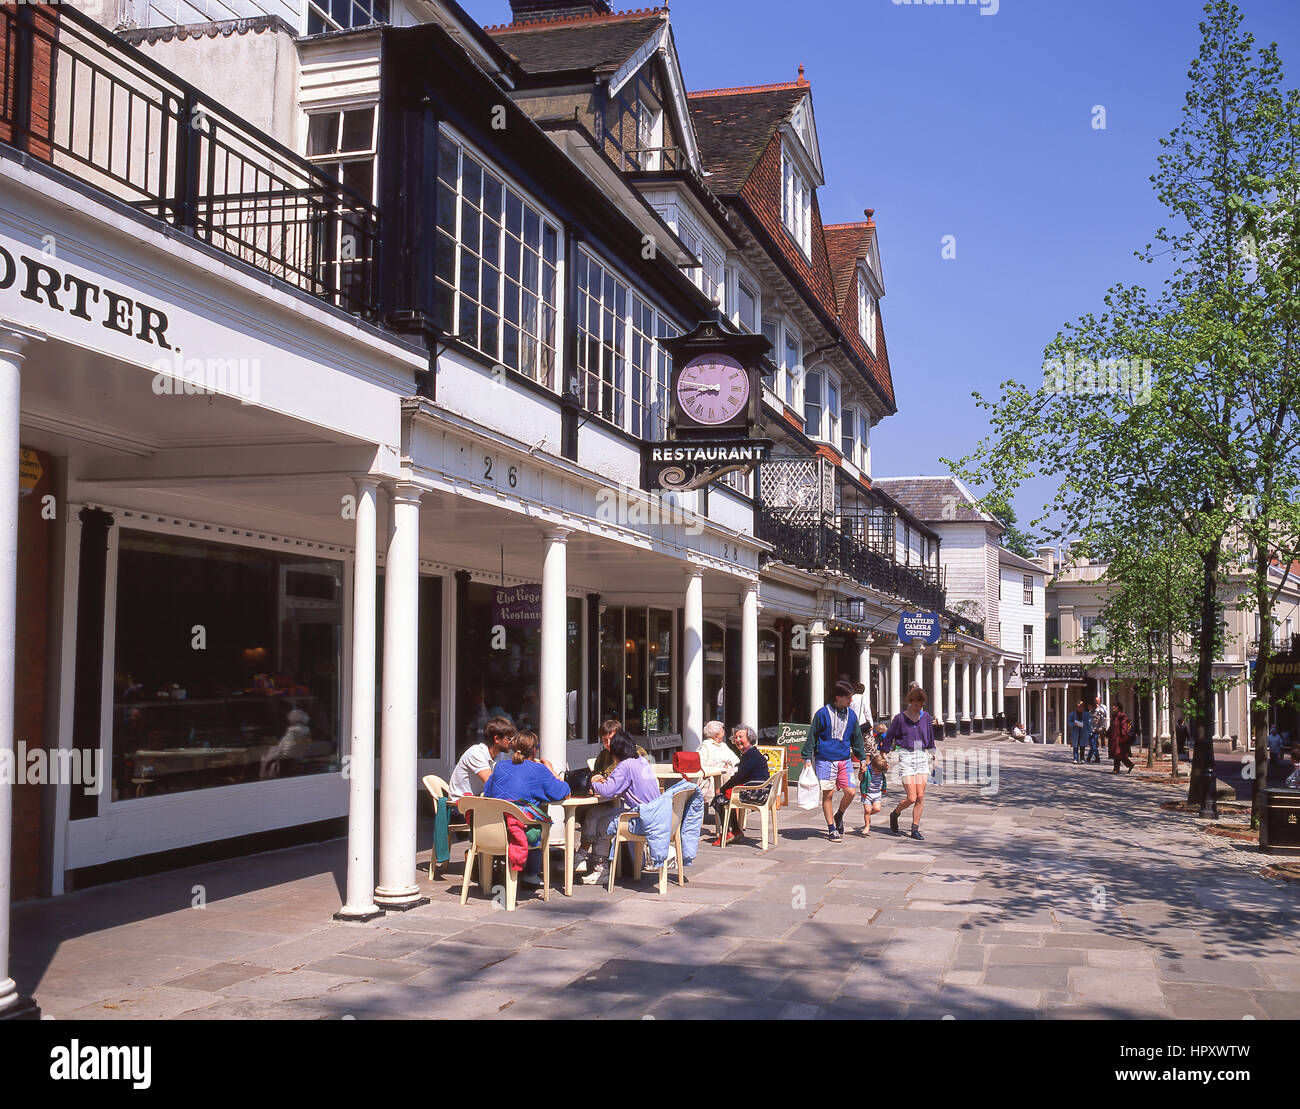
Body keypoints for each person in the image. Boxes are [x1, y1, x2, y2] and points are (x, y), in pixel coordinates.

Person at [483, 730, 570, 887]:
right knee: (538, 827)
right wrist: (550, 770)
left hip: (492, 828)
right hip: (519, 830)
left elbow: (487, 793)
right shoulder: (538, 769)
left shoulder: (500, 766)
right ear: (535, 750)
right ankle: (531, 873)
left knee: (525, 820)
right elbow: (563, 792)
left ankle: (491, 876)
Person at [801, 679, 879, 842]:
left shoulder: (851, 716)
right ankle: (831, 829)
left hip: (845, 760)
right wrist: (807, 758)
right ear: (838, 697)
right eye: (848, 697)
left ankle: (840, 814)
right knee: (828, 794)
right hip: (825, 760)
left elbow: (857, 738)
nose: (851, 700)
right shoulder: (822, 714)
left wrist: (863, 759)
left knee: (850, 791)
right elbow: (812, 736)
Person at [582, 731, 661, 885]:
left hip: (640, 819)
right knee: (596, 811)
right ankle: (582, 854)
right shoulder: (640, 761)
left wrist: (593, 782)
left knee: (602, 823)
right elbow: (617, 784)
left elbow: (608, 791)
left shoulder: (625, 765)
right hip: (653, 814)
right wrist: (606, 781)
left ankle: (601, 869)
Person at [883, 685, 937, 841]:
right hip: (906, 756)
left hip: (921, 755)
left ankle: (915, 828)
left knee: (920, 796)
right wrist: (884, 753)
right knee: (911, 797)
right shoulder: (900, 718)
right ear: (910, 701)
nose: (918, 708)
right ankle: (895, 813)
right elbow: (889, 736)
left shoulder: (925, 716)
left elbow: (930, 736)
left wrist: (934, 754)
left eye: (921, 705)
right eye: (915, 705)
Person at [711, 725, 771, 845]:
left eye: (741, 737)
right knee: (725, 796)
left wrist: (722, 788)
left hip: (757, 793)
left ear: (749, 738)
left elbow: (739, 777)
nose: (737, 740)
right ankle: (736, 831)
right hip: (760, 790)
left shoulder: (751, 755)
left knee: (719, 799)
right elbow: (741, 776)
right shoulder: (750, 753)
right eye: (736, 737)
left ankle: (729, 832)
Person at [449, 715, 515, 800]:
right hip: (460, 805)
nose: (511, 742)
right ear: (497, 739)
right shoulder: (476, 753)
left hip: (479, 802)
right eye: (509, 739)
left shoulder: (500, 755)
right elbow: (492, 785)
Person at [699, 719, 740, 805]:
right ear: (716, 735)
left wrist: (728, 764)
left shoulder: (723, 745)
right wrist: (721, 765)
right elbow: (702, 764)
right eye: (722, 730)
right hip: (712, 779)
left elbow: (736, 760)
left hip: (727, 777)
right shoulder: (705, 746)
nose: (724, 732)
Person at [858, 751, 889, 836]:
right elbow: (860, 779)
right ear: (873, 766)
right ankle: (867, 826)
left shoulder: (881, 769)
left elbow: (885, 767)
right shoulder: (867, 770)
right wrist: (861, 771)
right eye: (877, 770)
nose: (879, 772)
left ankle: (867, 816)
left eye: (880, 771)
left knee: (877, 809)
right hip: (867, 793)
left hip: (877, 794)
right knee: (867, 810)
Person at [1108, 707, 1135, 774]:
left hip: (1120, 739)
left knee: (1118, 754)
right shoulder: (1114, 716)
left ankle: (1116, 770)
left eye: (1115, 706)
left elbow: (1124, 727)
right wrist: (1107, 733)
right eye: (1113, 706)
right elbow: (1112, 727)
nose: (1113, 708)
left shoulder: (1122, 716)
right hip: (1114, 738)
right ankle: (1129, 764)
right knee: (1117, 755)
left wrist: (1123, 736)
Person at [1089, 699, 1107, 764]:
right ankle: (1089, 758)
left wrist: (1099, 728)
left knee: (1093, 745)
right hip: (1091, 730)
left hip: (1095, 730)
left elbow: (1102, 718)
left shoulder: (1098, 712)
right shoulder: (1090, 712)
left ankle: (1097, 758)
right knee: (1092, 745)